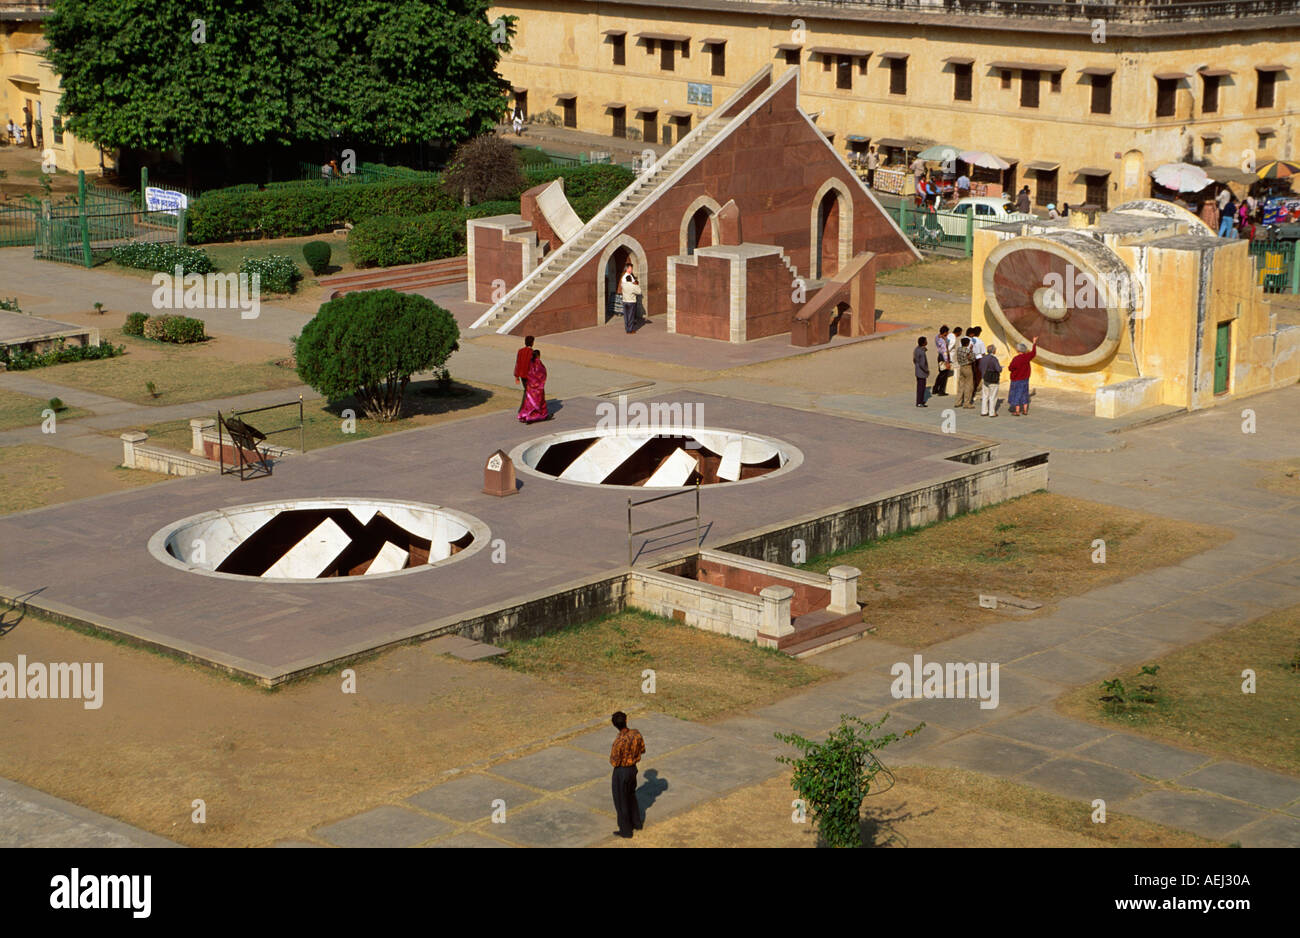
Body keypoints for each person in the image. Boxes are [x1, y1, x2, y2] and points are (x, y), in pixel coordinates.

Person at [609, 711, 645, 838]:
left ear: (615, 725)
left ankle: (625, 830)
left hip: (621, 771)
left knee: (621, 800)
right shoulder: (636, 734)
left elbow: (614, 761)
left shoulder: (618, 741)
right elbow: (642, 749)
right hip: (633, 769)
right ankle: (637, 823)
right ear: (626, 721)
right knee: (631, 795)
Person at [1007, 337, 1038, 416]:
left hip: (1017, 380)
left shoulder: (1016, 359)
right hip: (1025, 379)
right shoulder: (1027, 357)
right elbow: (1034, 352)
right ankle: (1025, 410)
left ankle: (1017, 411)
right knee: (1025, 394)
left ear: (1018, 350)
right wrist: (1034, 343)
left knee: (1016, 394)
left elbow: (1010, 368)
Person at [517, 349, 549, 423]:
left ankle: (525, 415)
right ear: (538, 355)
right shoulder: (538, 363)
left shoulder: (530, 363)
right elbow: (542, 372)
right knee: (539, 402)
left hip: (530, 386)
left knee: (529, 403)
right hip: (538, 387)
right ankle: (540, 415)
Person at [980, 343, 1003, 417]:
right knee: (992, 396)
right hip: (993, 379)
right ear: (993, 351)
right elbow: (998, 369)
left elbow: (980, 367)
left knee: (985, 395)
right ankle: (992, 413)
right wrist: (1001, 368)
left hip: (985, 378)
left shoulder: (983, 358)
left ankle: (984, 411)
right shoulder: (994, 359)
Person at [513, 335, 535, 410]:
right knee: (530, 392)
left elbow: (518, 363)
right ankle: (525, 409)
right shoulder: (532, 352)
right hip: (530, 376)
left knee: (527, 391)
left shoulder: (520, 351)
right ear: (532, 343)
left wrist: (516, 376)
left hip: (522, 376)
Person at [620, 261, 642, 333]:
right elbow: (638, 291)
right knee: (631, 316)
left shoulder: (623, 282)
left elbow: (623, 286)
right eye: (630, 268)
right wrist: (635, 284)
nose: (631, 269)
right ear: (627, 269)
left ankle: (627, 328)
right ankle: (630, 329)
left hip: (624, 300)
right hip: (631, 301)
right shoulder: (630, 282)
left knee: (626, 316)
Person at [954, 336, 975, 408]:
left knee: (961, 385)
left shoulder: (959, 349)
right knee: (969, 385)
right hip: (967, 367)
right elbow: (973, 358)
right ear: (968, 343)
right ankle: (967, 403)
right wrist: (971, 350)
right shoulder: (968, 350)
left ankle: (958, 402)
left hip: (961, 367)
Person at [932, 325, 952, 396]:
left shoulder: (937, 337)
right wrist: (947, 362)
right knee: (944, 374)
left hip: (939, 357)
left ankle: (935, 388)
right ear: (945, 332)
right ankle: (941, 390)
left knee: (940, 373)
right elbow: (944, 351)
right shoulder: (943, 341)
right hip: (943, 357)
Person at [913, 336, 930, 407]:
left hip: (917, 371)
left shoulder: (916, 349)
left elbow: (914, 360)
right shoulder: (922, 352)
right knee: (921, 388)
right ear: (924, 343)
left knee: (919, 387)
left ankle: (919, 400)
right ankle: (919, 402)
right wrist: (927, 370)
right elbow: (922, 364)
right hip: (922, 373)